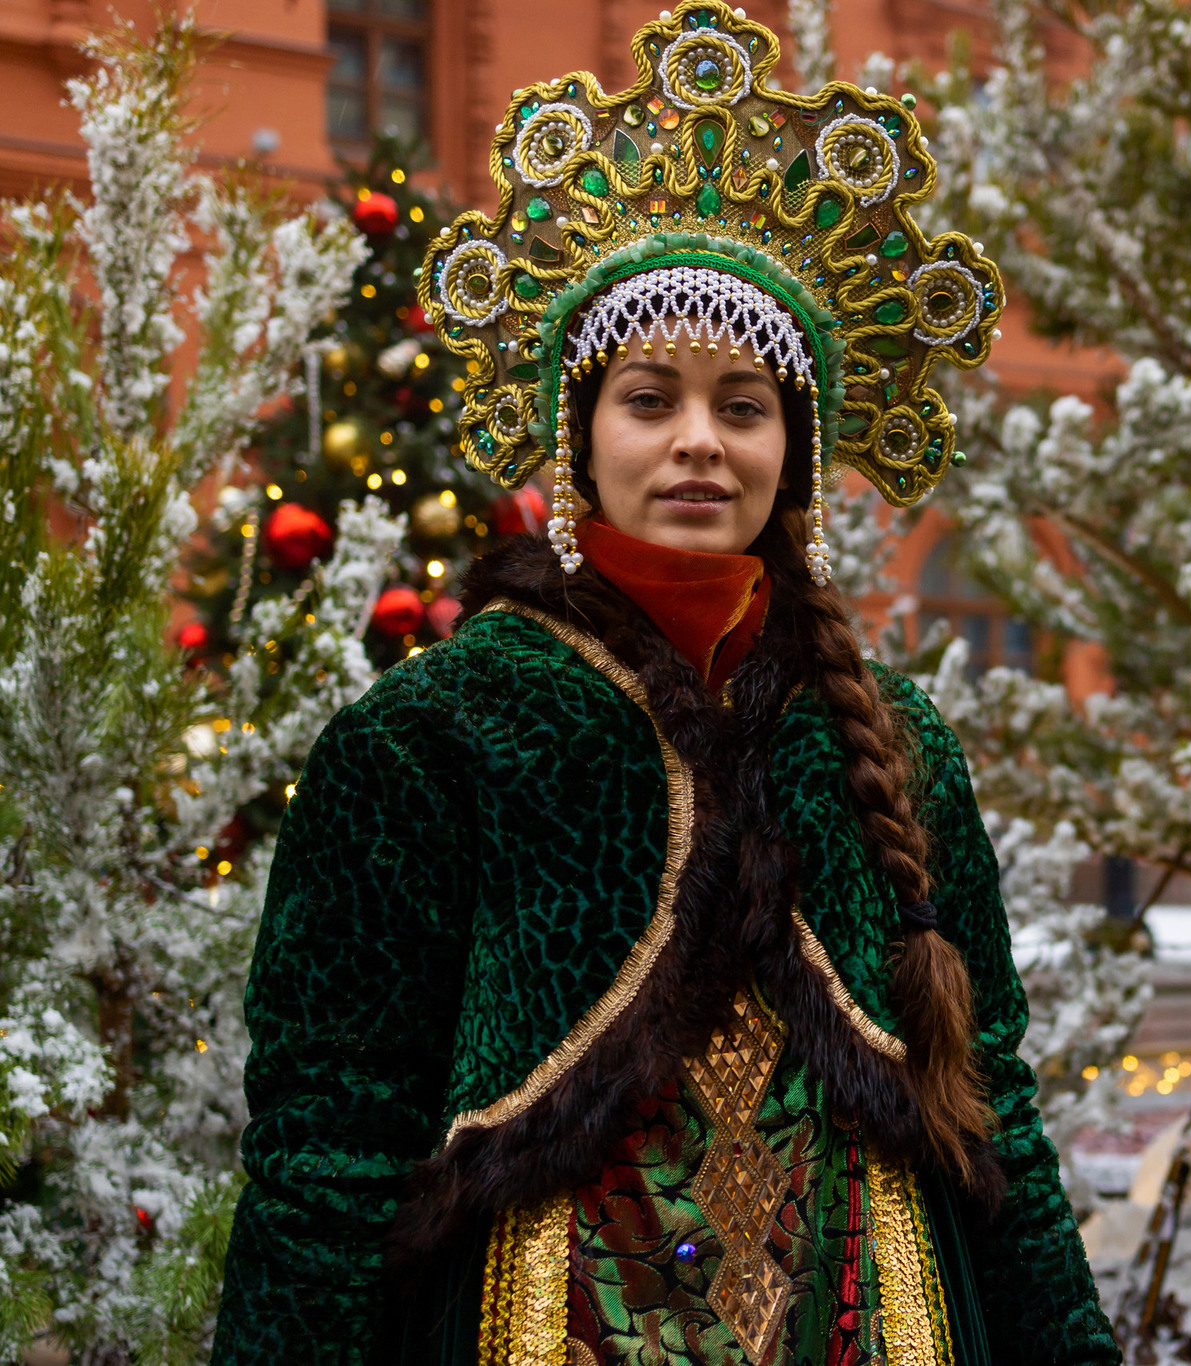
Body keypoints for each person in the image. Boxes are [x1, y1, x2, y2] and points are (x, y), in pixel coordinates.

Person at [211, 8, 1116, 1363]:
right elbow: (326, 1154)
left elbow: (1003, 1126)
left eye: (743, 404)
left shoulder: (898, 738)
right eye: (650, 396)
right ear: (582, 437)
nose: (699, 441)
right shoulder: (430, 741)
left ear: (791, 451)